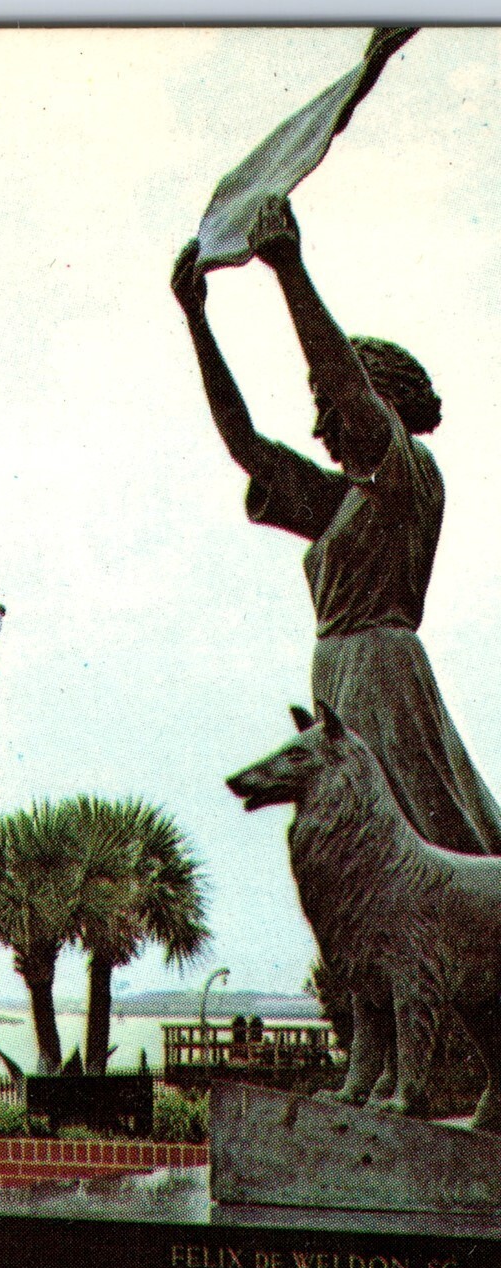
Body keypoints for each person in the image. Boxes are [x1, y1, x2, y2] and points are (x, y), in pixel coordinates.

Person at [172, 195, 501, 857]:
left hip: (381, 668)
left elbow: (344, 386)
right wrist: (198, 321)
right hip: (341, 673)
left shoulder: (406, 474)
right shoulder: (343, 500)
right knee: (368, 843)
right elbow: (247, 445)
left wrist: (289, 269)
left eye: (327, 408)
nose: (320, 426)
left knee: (418, 833)